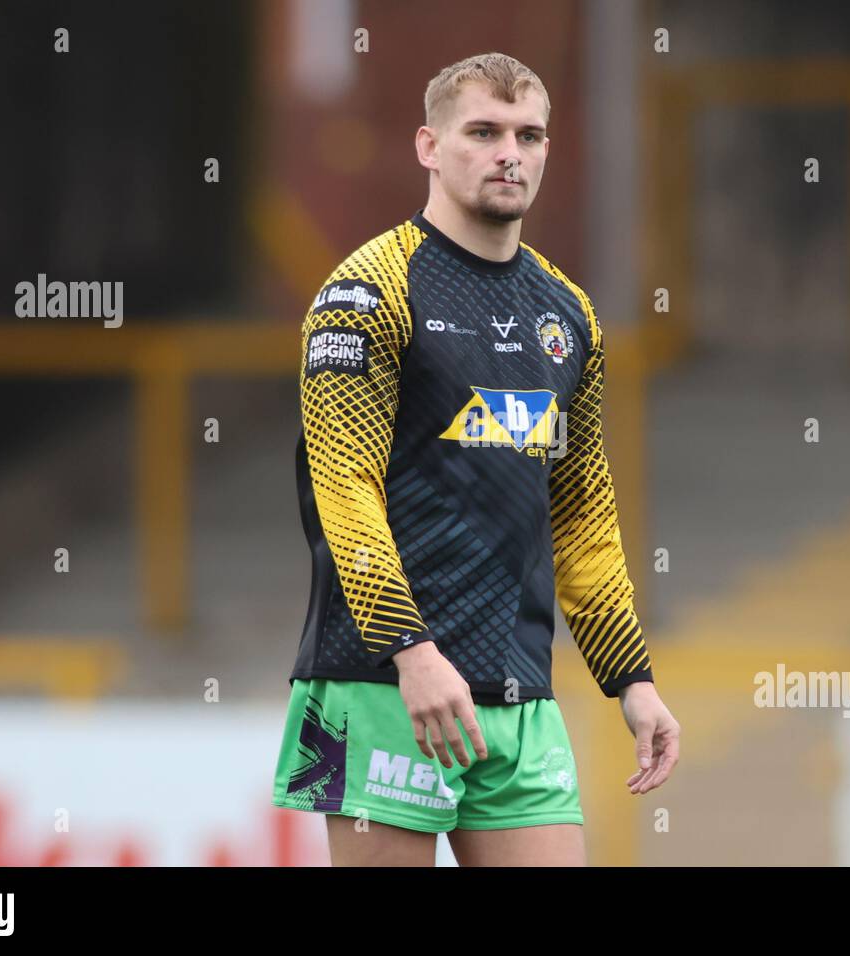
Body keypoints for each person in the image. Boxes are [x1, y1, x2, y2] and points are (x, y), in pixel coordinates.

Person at [272, 51, 680, 867]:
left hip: (520, 696)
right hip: (381, 685)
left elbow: (583, 515)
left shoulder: (569, 314)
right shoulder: (368, 290)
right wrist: (412, 655)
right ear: (429, 146)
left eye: (530, 134)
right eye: (484, 131)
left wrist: (631, 678)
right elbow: (341, 491)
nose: (510, 153)